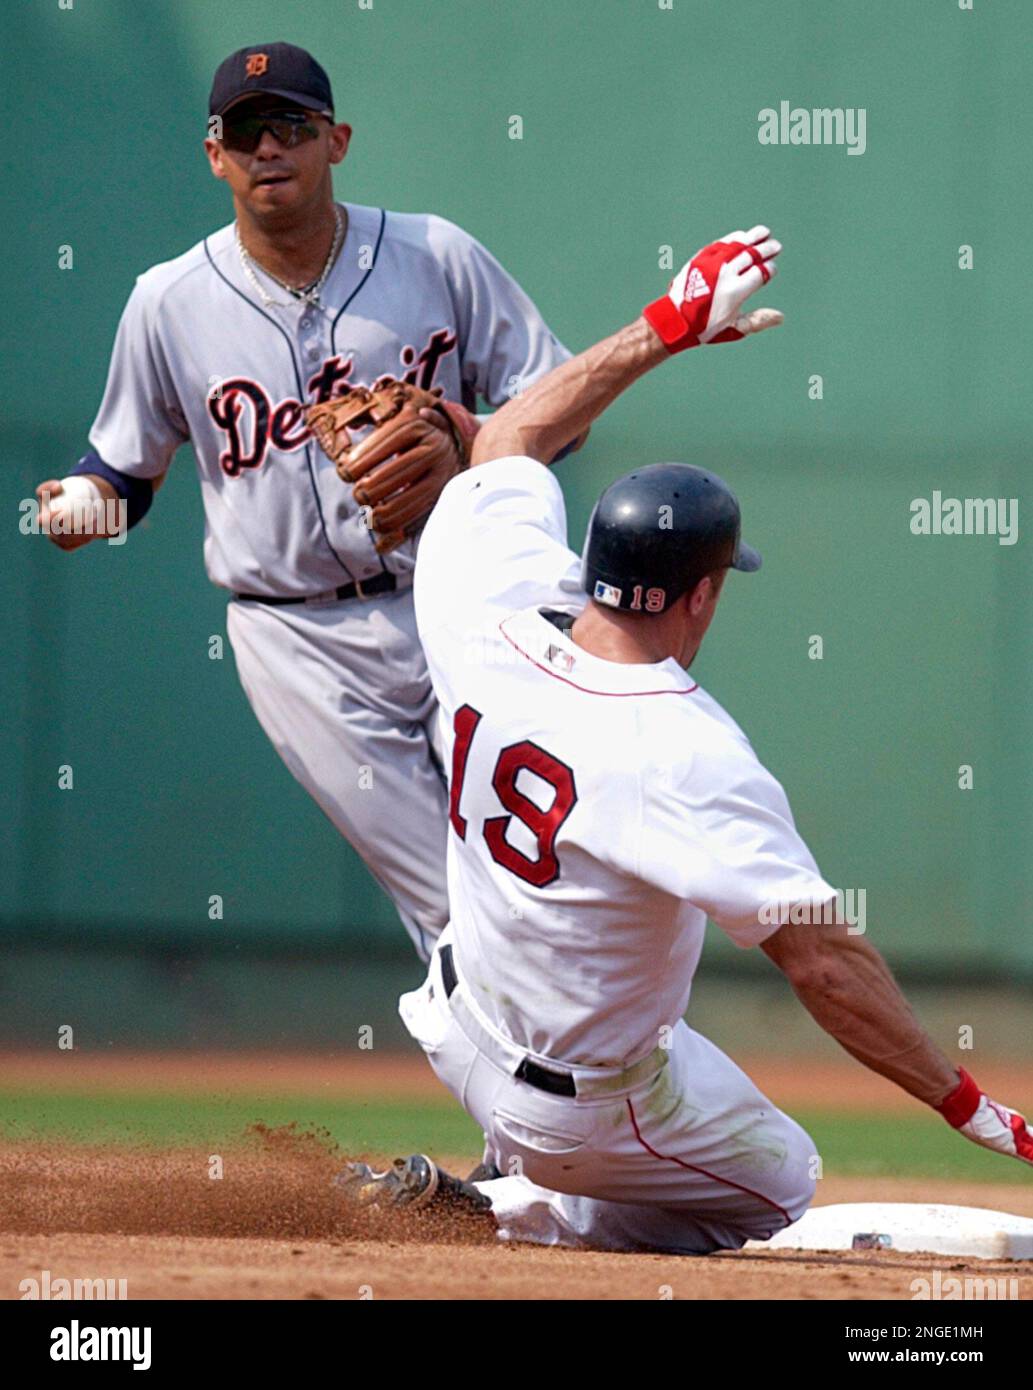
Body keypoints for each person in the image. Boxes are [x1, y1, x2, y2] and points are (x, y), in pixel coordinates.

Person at [336, 225, 1033, 1253]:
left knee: (669, 1097)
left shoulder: (481, 597)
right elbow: (826, 965)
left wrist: (664, 327)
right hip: (571, 1108)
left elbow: (506, 441)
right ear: (701, 594)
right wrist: (965, 1100)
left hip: (453, 1023)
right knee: (779, 1187)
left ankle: (482, 1197)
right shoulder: (684, 748)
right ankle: (514, 1215)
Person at [34, 41, 572, 962]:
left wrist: (472, 442)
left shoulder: (435, 254)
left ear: (338, 140)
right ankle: (545, 1092)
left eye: (292, 125)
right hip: (297, 642)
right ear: (214, 155)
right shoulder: (166, 302)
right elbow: (122, 476)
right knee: (451, 902)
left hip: (460, 598)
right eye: (245, 131)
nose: (268, 148)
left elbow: (558, 403)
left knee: (536, 865)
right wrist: (77, 507)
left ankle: (574, 1078)